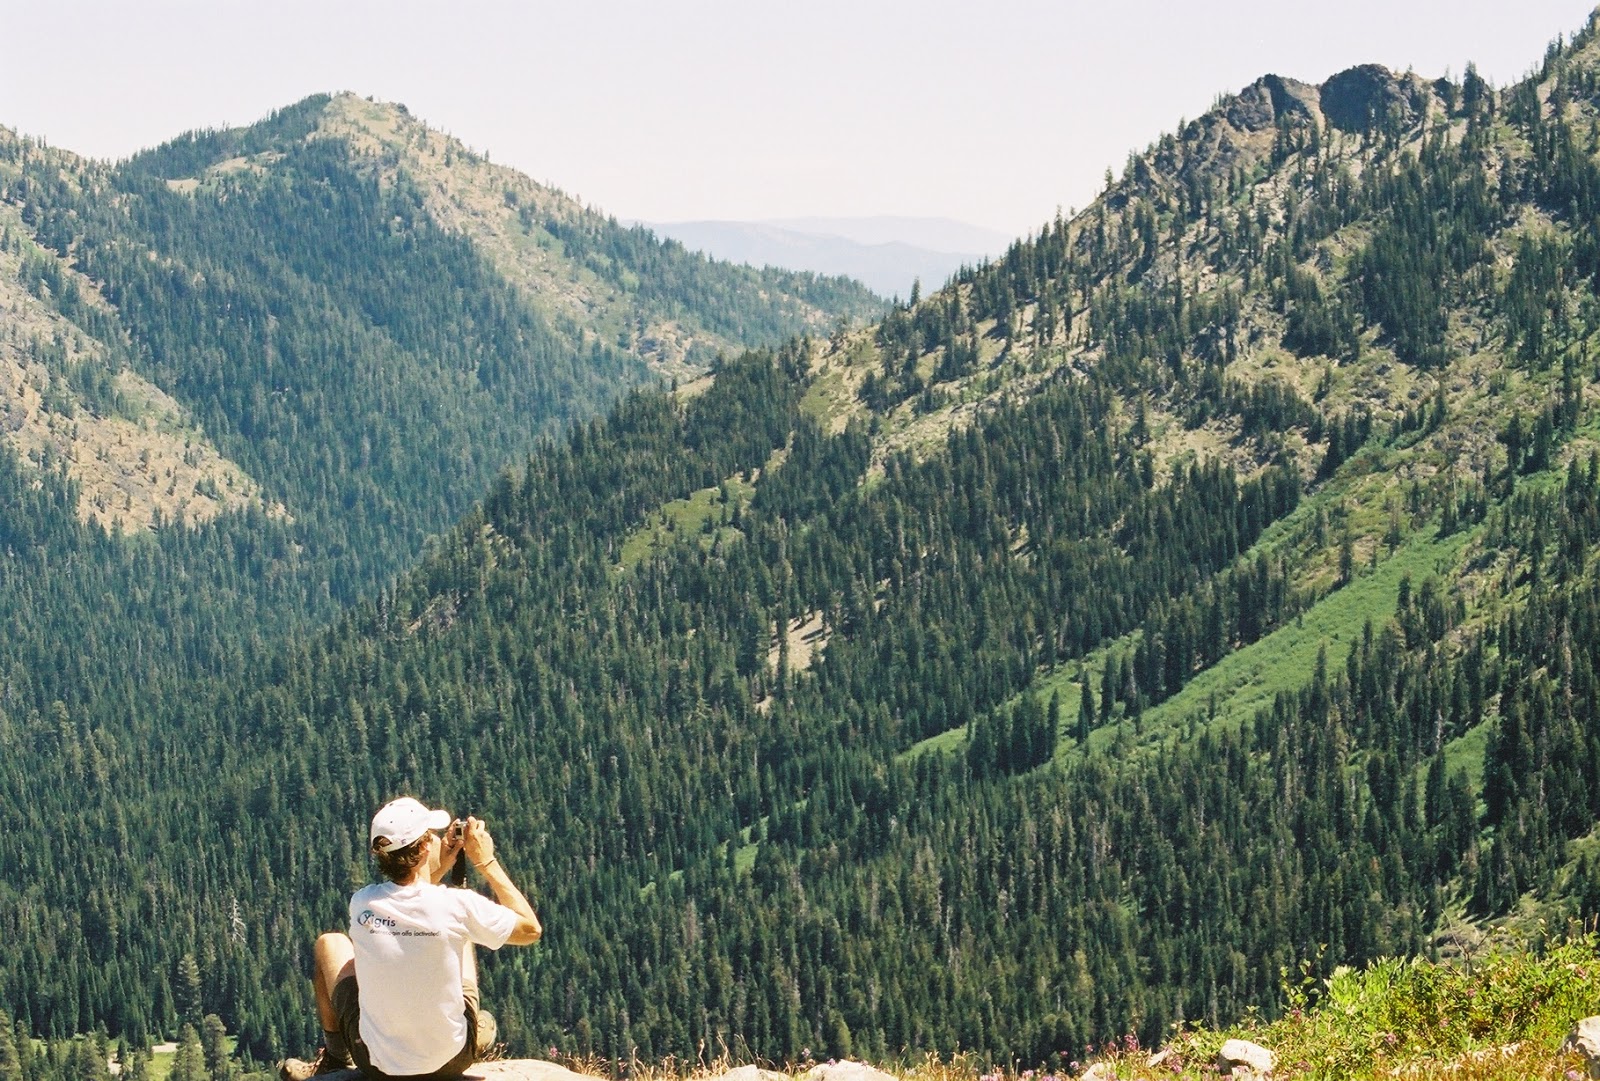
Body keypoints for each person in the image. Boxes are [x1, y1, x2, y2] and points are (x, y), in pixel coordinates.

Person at [280, 797, 542, 1080]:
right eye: (431, 836)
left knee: (329, 944)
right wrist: (485, 861)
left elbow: (411, 900)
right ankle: (474, 1029)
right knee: (462, 936)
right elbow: (530, 930)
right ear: (426, 845)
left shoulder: (363, 903)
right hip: (450, 1061)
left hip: (376, 1065)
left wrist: (439, 864)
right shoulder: (456, 905)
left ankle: (334, 1058)